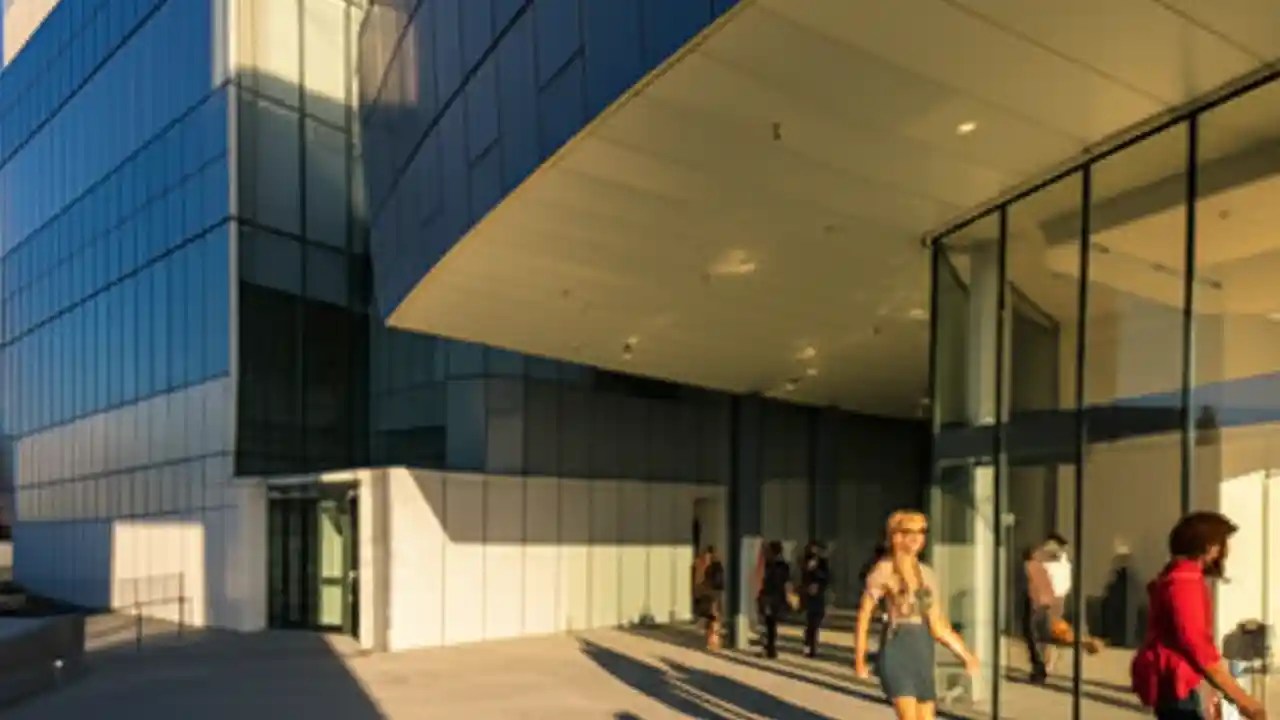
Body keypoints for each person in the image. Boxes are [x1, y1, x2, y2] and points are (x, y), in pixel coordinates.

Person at [1131, 512, 1266, 720]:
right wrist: (1242, 700)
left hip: (1176, 683)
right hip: (1179, 686)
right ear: (1210, 547)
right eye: (1222, 544)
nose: (1226, 551)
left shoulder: (1176, 577)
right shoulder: (1185, 583)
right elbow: (1197, 646)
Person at [855, 510, 979, 720]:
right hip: (897, 649)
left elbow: (938, 625)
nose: (916, 538)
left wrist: (965, 654)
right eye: (908, 531)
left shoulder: (927, 574)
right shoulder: (884, 570)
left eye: (921, 532)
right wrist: (860, 659)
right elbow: (864, 616)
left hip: (922, 652)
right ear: (895, 536)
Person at [757, 540, 795, 659]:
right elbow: (787, 582)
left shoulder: (771, 564)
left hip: (771, 596)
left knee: (769, 623)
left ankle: (770, 648)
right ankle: (770, 648)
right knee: (770, 623)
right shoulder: (782, 565)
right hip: (775, 596)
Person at [801, 540, 832, 658]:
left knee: (815, 622)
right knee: (810, 622)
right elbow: (804, 577)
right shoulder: (806, 562)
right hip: (810, 595)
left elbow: (826, 578)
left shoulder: (823, 564)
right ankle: (809, 645)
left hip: (819, 595)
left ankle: (812, 647)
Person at [694, 546, 725, 650]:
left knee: (713, 618)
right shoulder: (711, 567)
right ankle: (712, 640)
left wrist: (706, 587)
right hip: (711, 594)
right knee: (711, 618)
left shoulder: (715, 567)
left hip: (713, 595)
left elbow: (716, 582)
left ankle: (714, 641)